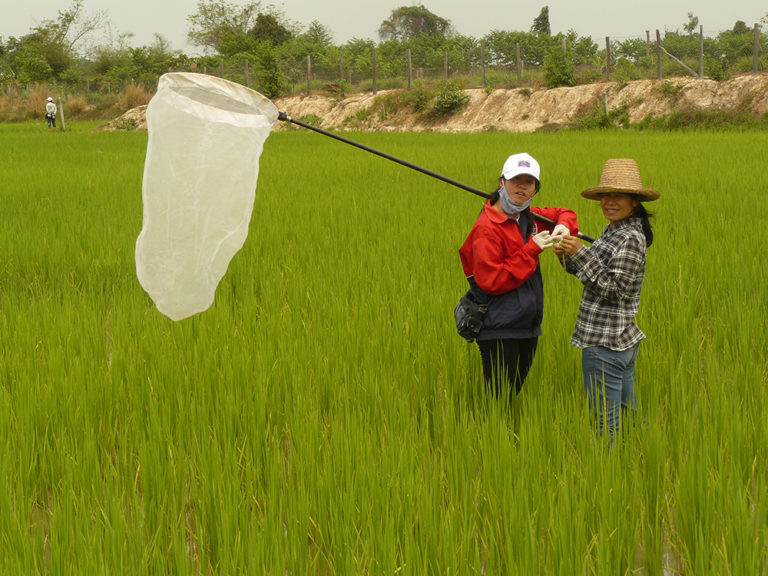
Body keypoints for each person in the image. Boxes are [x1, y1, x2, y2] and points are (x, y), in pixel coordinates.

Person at [459, 152, 579, 407]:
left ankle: (499, 436)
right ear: (502, 182)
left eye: (529, 181)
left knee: (511, 394)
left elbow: (564, 212)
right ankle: (490, 441)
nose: (522, 186)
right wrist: (531, 249)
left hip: (527, 325)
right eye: (516, 179)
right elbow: (492, 281)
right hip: (499, 327)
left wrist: (564, 226)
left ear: (535, 187)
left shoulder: (528, 217)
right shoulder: (487, 229)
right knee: (498, 400)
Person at [553, 158, 658, 441]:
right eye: (605, 195)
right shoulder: (614, 230)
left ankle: (609, 477)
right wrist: (567, 256)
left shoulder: (630, 237)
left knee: (605, 426)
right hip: (620, 339)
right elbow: (594, 272)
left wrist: (580, 254)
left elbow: (615, 288)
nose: (610, 201)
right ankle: (642, 456)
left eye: (618, 195)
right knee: (628, 415)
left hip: (605, 343)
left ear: (634, 200)